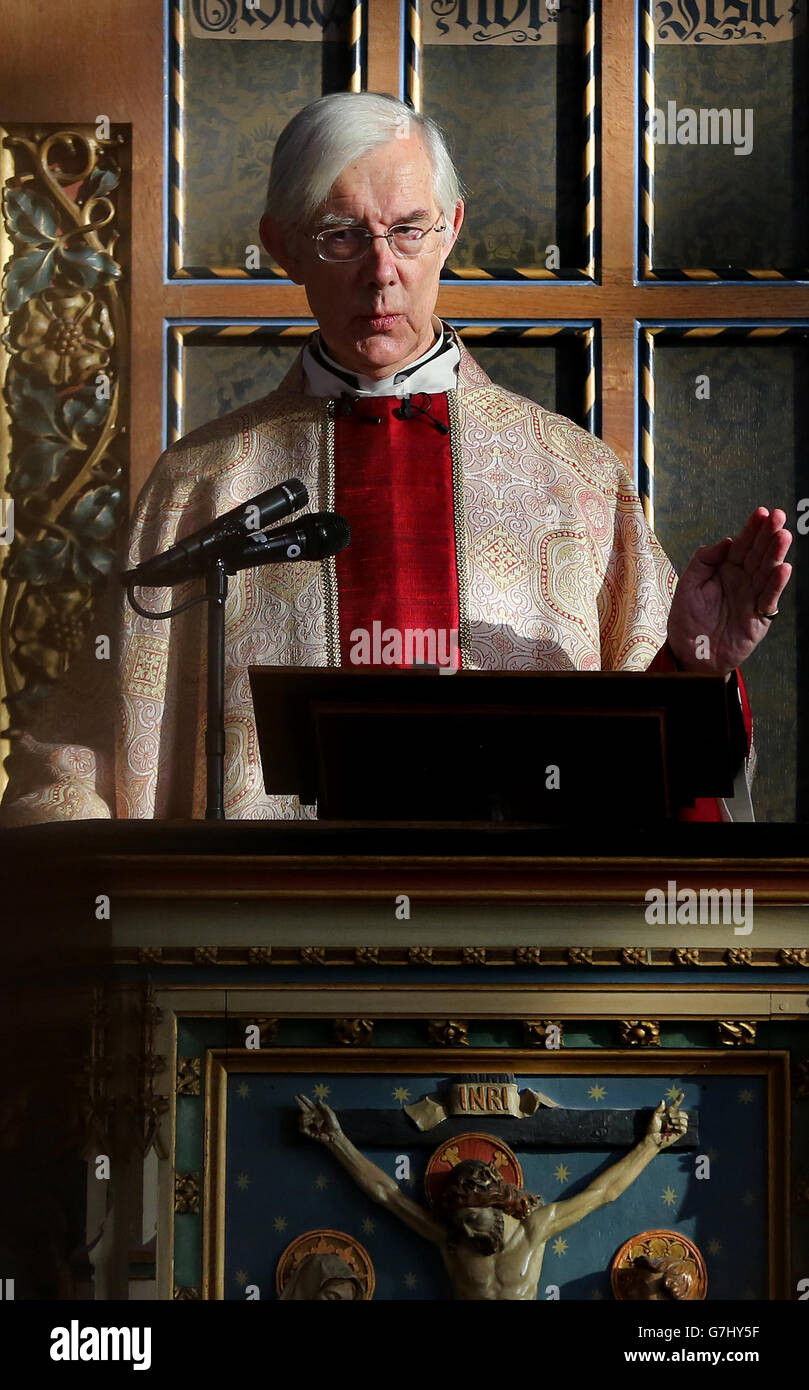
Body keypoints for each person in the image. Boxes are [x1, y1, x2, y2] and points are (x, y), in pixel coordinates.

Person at [0, 92, 792, 824]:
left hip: (513, 951)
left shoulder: (572, 475)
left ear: (450, 228)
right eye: (341, 235)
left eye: (408, 229)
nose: (382, 270)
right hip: (258, 953)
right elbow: (82, 756)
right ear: (282, 246)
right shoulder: (203, 482)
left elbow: (646, 773)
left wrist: (690, 668)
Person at [295, 1091, 688, 1301]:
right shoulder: (451, 1241)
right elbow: (387, 1194)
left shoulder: (535, 1228)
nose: (465, 1228)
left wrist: (652, 1143)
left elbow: (604, 1193)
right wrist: (336, 1141)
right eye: (460, 1220)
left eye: (472, 1217)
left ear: (497, 1204)